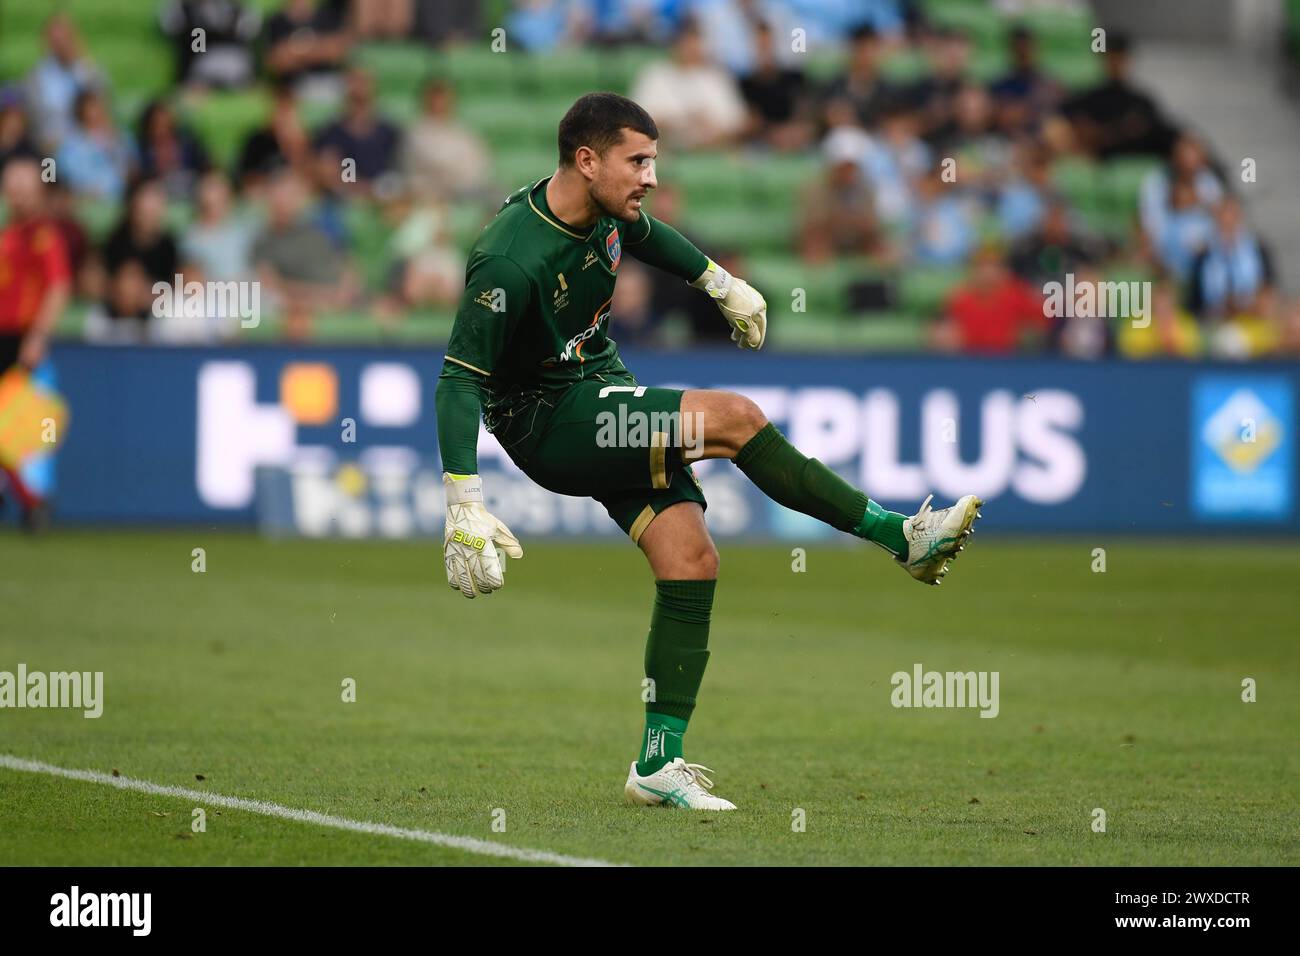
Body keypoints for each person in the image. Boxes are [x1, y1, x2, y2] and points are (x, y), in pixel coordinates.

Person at [435, 93, 983, 812]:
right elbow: (457, 380)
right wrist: (463, 500)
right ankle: (899, 536)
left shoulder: (606, 211)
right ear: (586, 159)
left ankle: (658, 765)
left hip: (599, 395)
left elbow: (649, 234)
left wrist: (718, 283)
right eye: (637, 160)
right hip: (554, 425)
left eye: (653, 160)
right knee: (735, 418)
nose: (650, 176)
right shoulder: (509, 259)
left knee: (690, 557)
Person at [0, 158, 70, 529]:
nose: (19, 195)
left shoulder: (45, 236)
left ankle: (32, 501)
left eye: (26, 187)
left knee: (11, 426)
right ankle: (29, 502)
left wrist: (38, 336)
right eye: (13, 188)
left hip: (21, 340)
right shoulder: (9, 235)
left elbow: (58, 287)